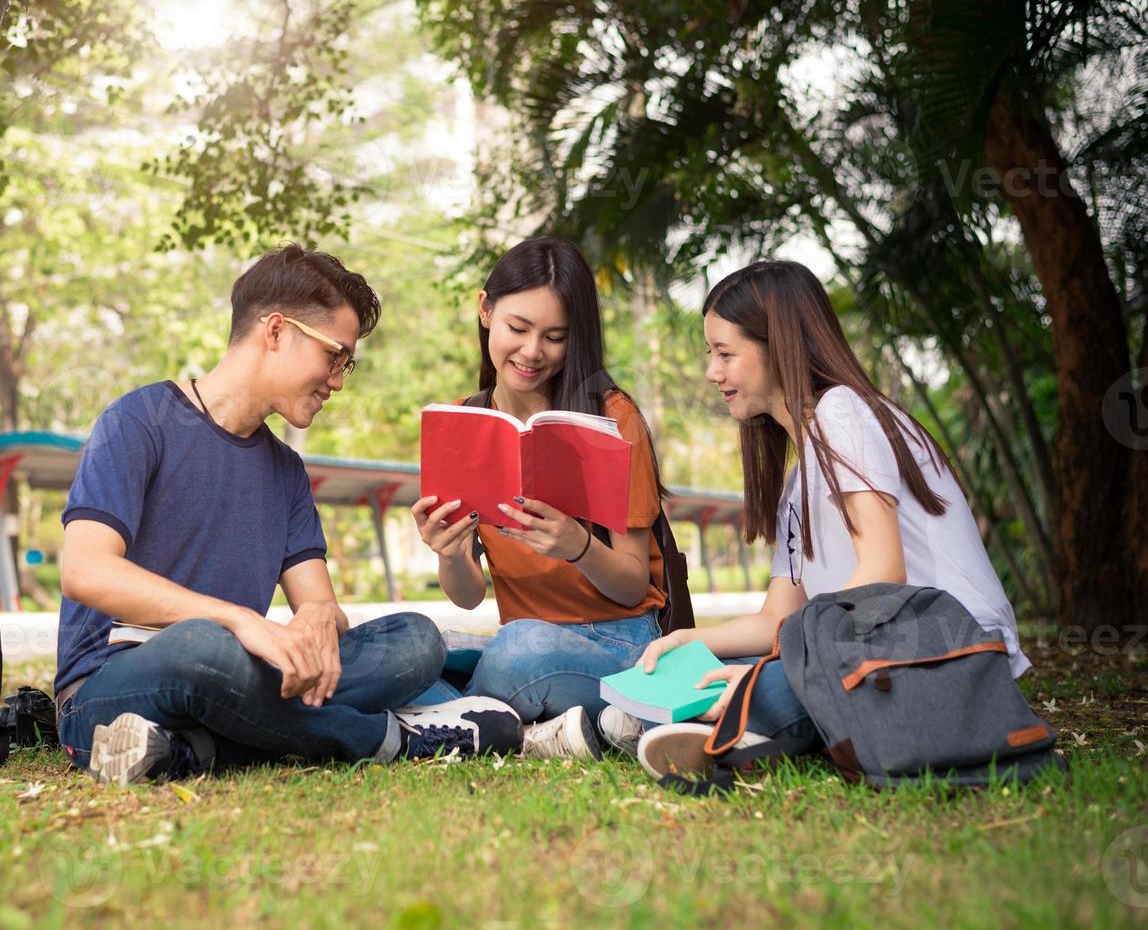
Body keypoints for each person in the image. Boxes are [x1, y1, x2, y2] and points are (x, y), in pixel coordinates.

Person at [54, 244, 521, 786]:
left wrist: (321, 618)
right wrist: (242, 622)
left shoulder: (285, 471)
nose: (339, 380)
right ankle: (392, 739)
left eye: (349, 364)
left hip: (238, 677)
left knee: (416, 642)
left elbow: (319, 604)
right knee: (204, 647)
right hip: (110, 687)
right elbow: (85, 571)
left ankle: (192, 751)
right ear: (275, 331)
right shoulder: (138, 421)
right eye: (334, 356)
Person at [612, 259, 1031, 779]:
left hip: (949, 656)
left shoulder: (844, 413)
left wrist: (775, 668)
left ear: (779, 347)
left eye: (725, 354)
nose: (711, 372)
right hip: (876, 654)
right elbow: (776, 621)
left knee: (762, 682)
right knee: (722, 675)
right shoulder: (798, 478)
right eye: (710, 354)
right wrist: (689, 641)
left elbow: (882, 575)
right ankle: (729, 723)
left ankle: (728, 730)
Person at [410, 236, 671, 761]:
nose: (532, 352)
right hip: (526, 640)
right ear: (485, 310)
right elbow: (466, 596)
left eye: (555, 337)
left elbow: (630, 585)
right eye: (518, 328)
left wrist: (576, 545)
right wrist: (449, 552)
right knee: (416, 650)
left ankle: (457, 721)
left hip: (618, 641)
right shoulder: (467, 422)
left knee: (515, 651)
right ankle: (545, 732)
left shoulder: (612, 419)